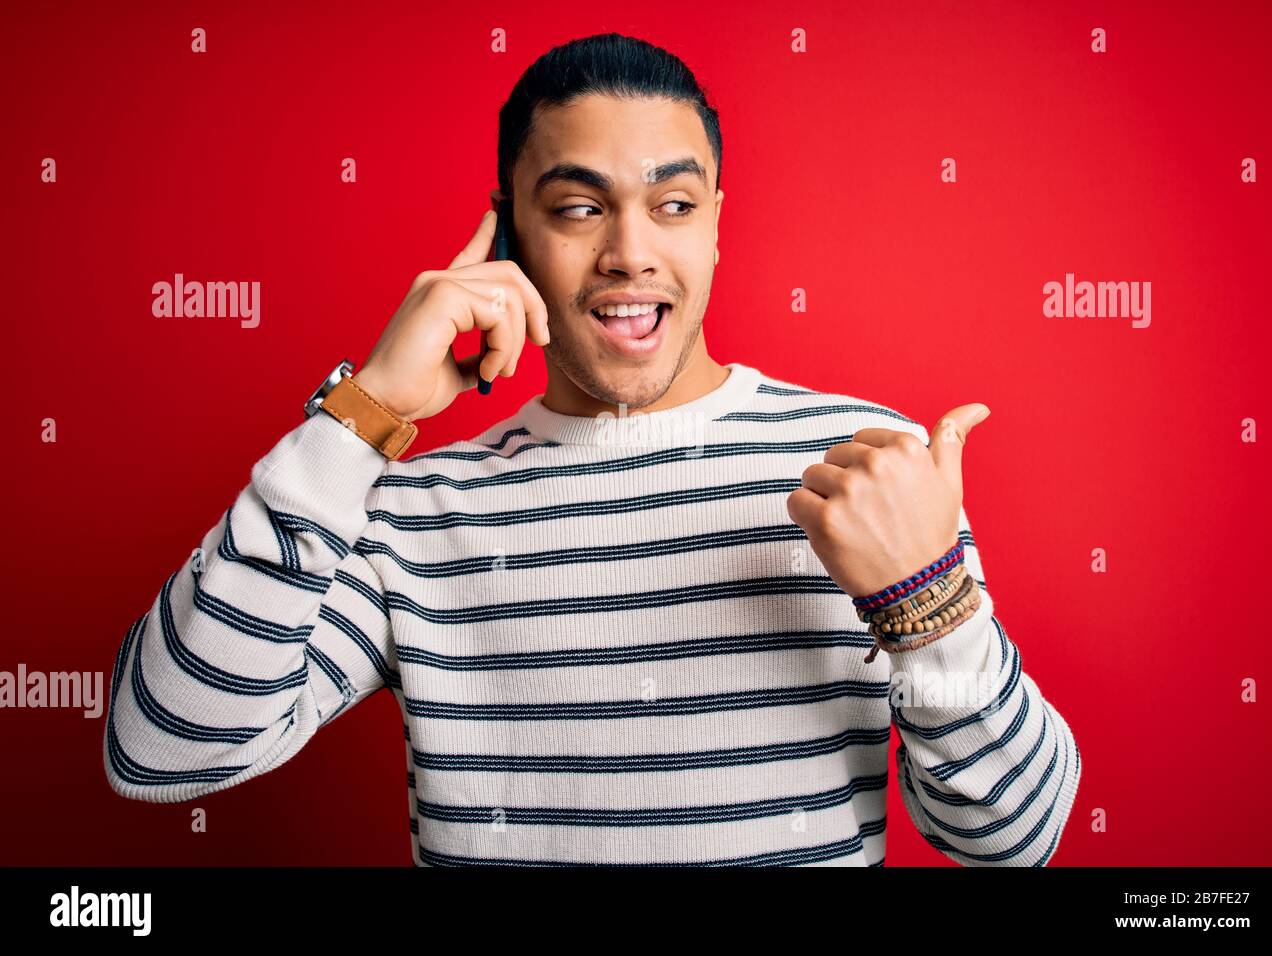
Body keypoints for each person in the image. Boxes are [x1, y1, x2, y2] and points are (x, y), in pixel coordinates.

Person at [104, 32, 1081, 867]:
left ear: (714, 226)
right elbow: (159, 750)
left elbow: (1014, 838)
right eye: (577, 207)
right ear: (506, 238)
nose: (629, 252)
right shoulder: (411, 510)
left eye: (673, 203)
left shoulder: (866, 470)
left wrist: (927, 603)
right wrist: (363, 414)